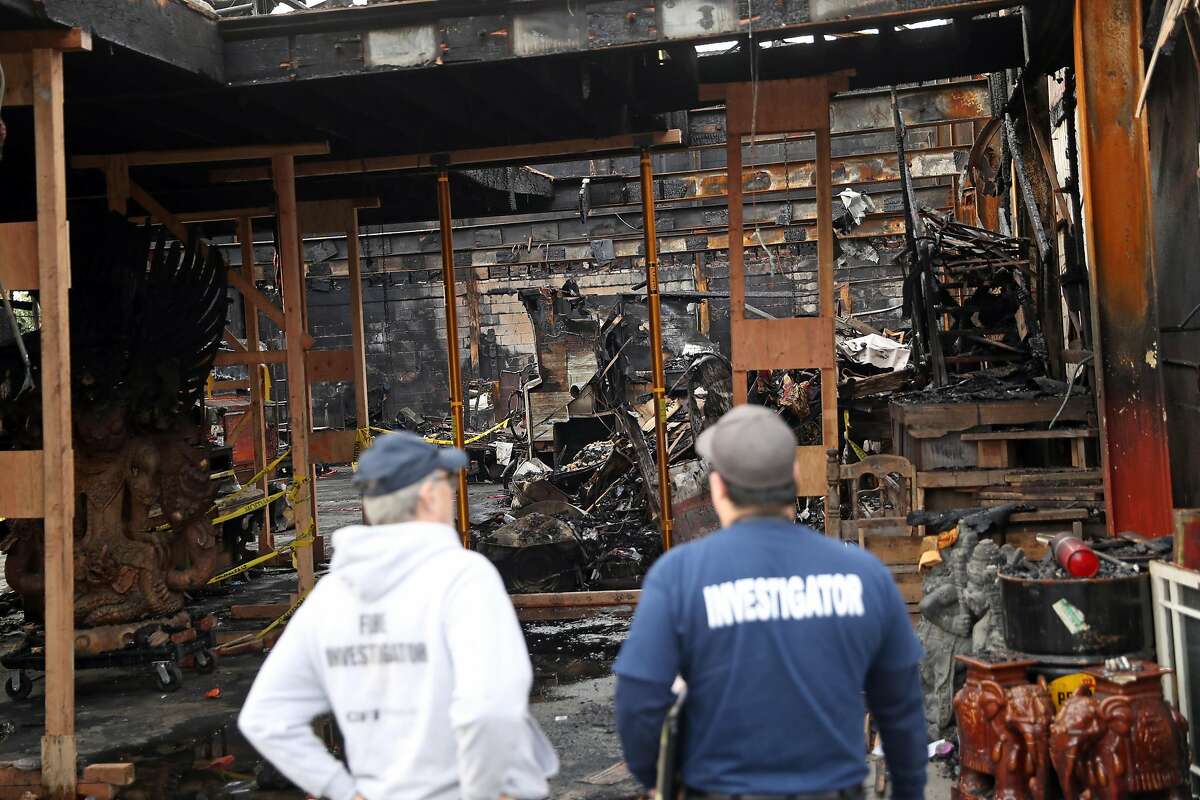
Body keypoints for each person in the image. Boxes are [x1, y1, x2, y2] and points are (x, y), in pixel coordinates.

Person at [613, 405, 927, 800]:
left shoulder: (677, 577)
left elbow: (639, 704)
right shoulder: (864, 577)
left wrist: (664, 780)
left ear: (718, 488)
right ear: (795, 478)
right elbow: (903, 709)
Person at [239, 432, 558, 800]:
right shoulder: (461, 578)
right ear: (428, 497)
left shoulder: (331, 596)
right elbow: (489, 709)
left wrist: (342, 791)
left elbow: (265, 718)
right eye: (445, 486)